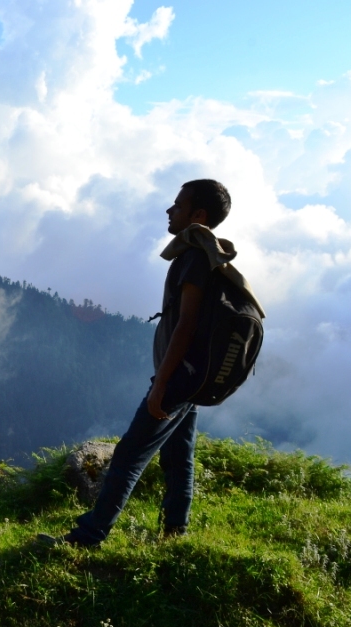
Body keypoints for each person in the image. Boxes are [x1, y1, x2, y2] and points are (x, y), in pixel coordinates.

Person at [41, 179, 235, 547]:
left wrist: (161, 384)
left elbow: (186, 324)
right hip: (191, 376)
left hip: (178, 376)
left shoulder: (195, 257)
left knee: (129, 454)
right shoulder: (203, 253)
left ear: (198, 215)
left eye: (177, 205)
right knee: (179, 458)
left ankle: (89, 535)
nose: (169, 210)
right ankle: (174, 533)